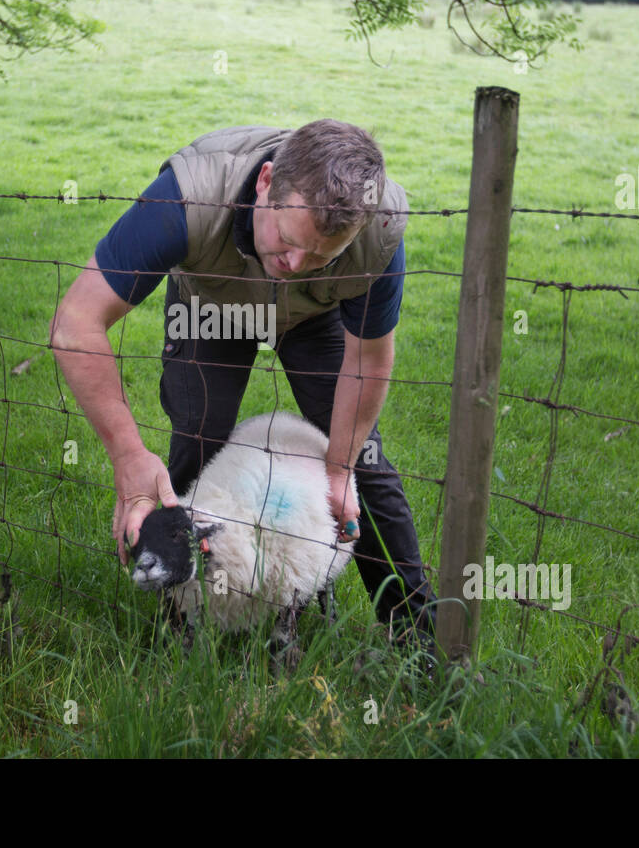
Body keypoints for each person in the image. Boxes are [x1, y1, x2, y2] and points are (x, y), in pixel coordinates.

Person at [49, 118, 438, 645]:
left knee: (365, 466)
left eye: (321, 255)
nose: (295, 265)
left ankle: (421, 641)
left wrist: (342, 467)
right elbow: (77, 321)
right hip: (212, 306)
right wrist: (127, 457)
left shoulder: (378, 229)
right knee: (198, 441)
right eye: (286, 239)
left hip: (314, 316)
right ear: (265, 183)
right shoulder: (188, 198)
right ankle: (182, 615)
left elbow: (368, 357)